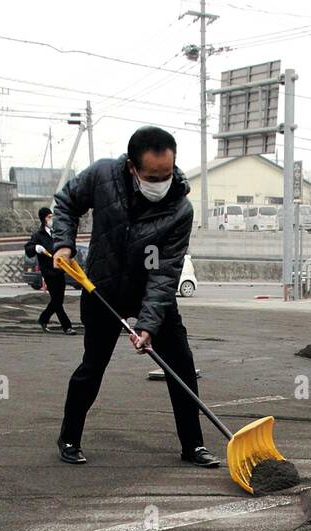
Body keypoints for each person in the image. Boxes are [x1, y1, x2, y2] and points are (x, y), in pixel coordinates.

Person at [50, 125, 215, 468]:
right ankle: (69, 437)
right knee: (92, 367)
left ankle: (193, 445)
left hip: (151, 293)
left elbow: (166, 272)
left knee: (181, 365)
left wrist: (148, 325)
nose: (161, 182)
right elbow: (65, 202)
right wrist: (64, 244)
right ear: (132, 167)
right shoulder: (102, 175)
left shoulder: (180, 210)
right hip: (102, 288)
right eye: (152, 176)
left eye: (167, 174)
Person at [24, 207, 75, 335]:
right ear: (43, 219)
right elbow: (28, 249)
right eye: (48, 217)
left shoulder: (57, 233)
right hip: (48, 272)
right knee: (57, 301)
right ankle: (67, 326)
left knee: (58, 300)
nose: (51, 219)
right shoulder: (38, 235)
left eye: (52, 216)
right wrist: (36, 247)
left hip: (59, 271)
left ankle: (43, 318)